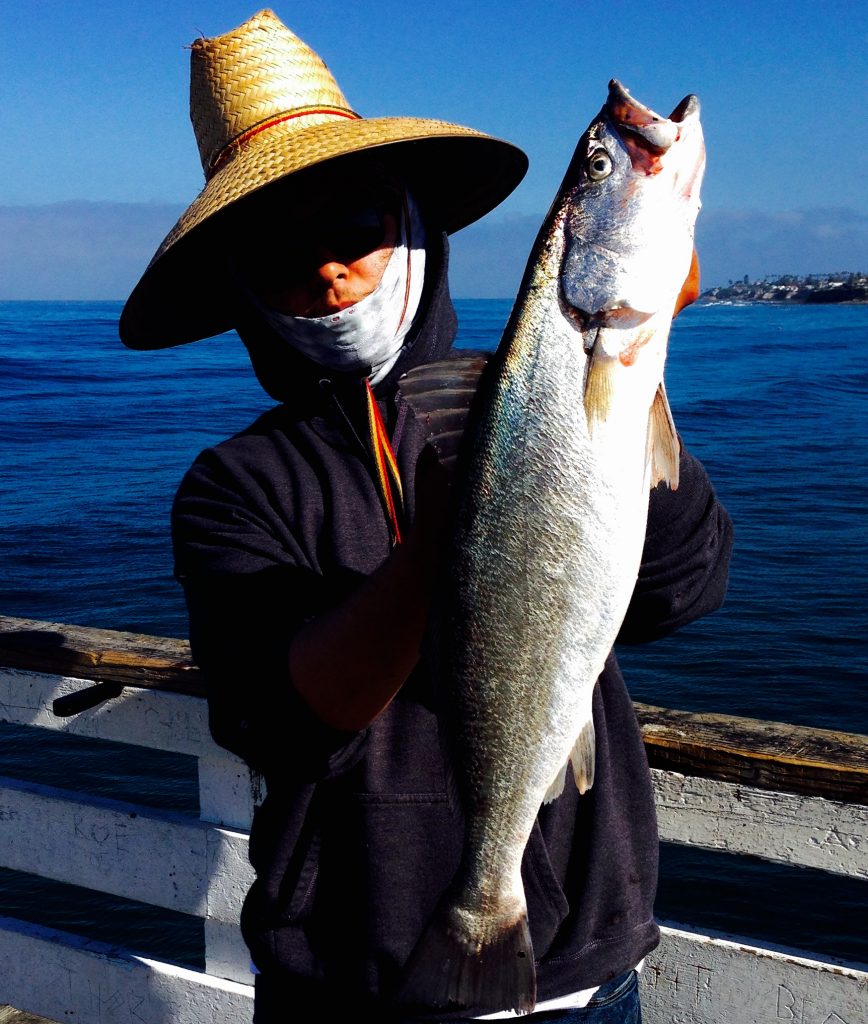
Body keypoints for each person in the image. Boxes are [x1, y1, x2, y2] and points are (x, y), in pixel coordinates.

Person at [120, 9, 733, 1023]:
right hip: (346, 985)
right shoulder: (234, 485)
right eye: (281, 252)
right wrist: (437, 550)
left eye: (353, 225)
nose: (327, 267)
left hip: (584, 968)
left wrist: (638, 371)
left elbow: (679, 589)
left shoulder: (530, 389)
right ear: (241, 291)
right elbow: (281, 721)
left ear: (411, 222)